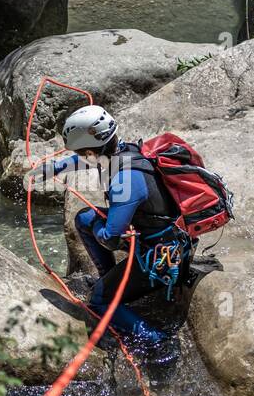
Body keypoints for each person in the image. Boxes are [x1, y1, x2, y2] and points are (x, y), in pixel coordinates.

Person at [35, 103, 192, 347]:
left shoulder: (124, 182)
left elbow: (109, 238)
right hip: (160, 238)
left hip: (162, 260)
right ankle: (110, 280)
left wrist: (103, 226)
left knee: (98, 302)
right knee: (85, 218)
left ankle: (158, 341)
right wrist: (54, 168)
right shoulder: (123, 150)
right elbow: (82, 161)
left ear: (90, 149)